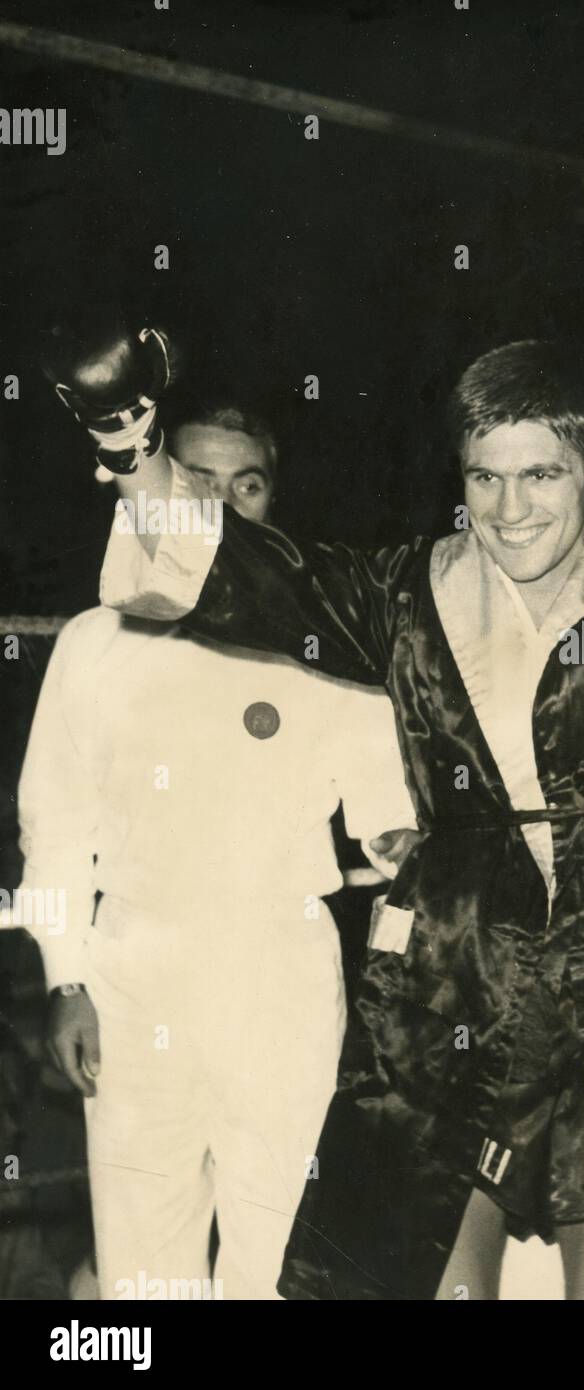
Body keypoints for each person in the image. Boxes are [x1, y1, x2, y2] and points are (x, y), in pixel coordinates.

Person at [53, 328, 584, 1299]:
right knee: (420, 1273)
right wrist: (130, 447)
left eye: (541, 475)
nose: (510, 512)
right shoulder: (406, 593)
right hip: (457, 990)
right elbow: (254, 581)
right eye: (485, 478)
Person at [17, 394, 415, 1300]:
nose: (224, 511)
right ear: (144, 490)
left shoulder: (325, 649)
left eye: (249, 486)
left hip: (282, 974)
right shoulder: (92, 645)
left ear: (273, 502)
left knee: (275, 1257)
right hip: (132, 971)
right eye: (198, 484)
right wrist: (65, 981)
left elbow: (391, 827)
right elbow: (54, 831)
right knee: (141, 1266)